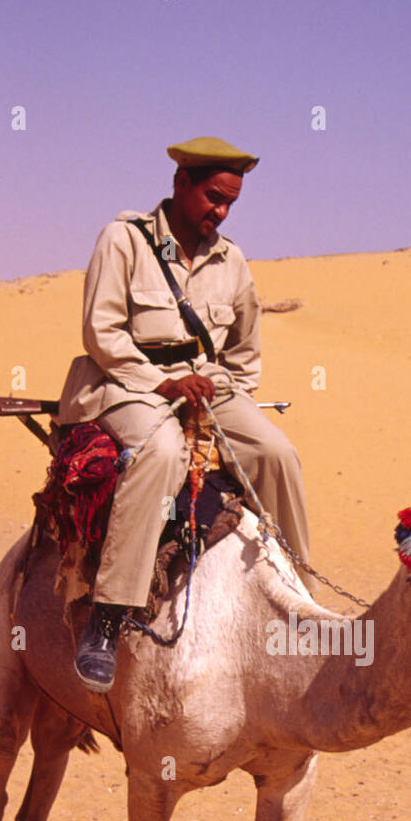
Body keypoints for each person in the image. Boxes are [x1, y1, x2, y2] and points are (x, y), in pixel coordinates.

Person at [57, 136, 313, 692]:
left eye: (230, 204)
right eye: (213, 198)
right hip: (124, 383)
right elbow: (101, 332)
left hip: (204, 388)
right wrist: (162, 381)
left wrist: (231, 398)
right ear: (180, 184)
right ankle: (108, 616)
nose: (219, 213)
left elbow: (244, 353)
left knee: (277, 452)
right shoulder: (123, 240)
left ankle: (301, 600)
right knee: (162, 451)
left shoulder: (232, 260)